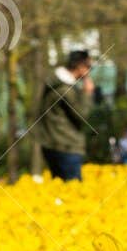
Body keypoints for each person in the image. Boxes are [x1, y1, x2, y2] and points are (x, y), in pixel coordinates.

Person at [36, 47, 93, 180]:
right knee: (73, 192)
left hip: (51, 145)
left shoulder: (53, 84)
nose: (90, 71)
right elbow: (83, 116)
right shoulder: (66, 90)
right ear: (80, 66)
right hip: (67, 145)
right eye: (89, 66)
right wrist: (87, 93)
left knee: (60, 191)